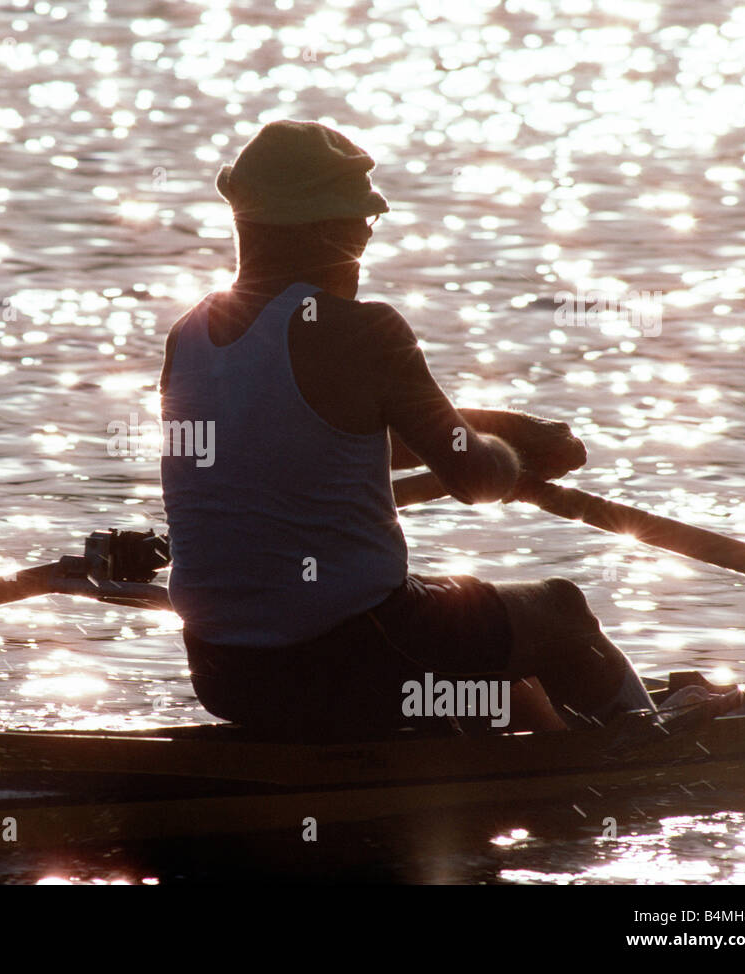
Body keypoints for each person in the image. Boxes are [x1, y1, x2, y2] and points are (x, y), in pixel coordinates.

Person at [158, 119, 656, 740]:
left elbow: (310, 440)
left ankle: (526, 723)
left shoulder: (189, 336)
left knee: (494, 682)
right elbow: (476, 480)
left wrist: (500, 426)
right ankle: (656, 755)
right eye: (363, 223)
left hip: (224, 672)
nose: (366, 240)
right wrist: (511, 460)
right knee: (561, 611)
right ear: (323, 228)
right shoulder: (365, 330)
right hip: (359, 657)